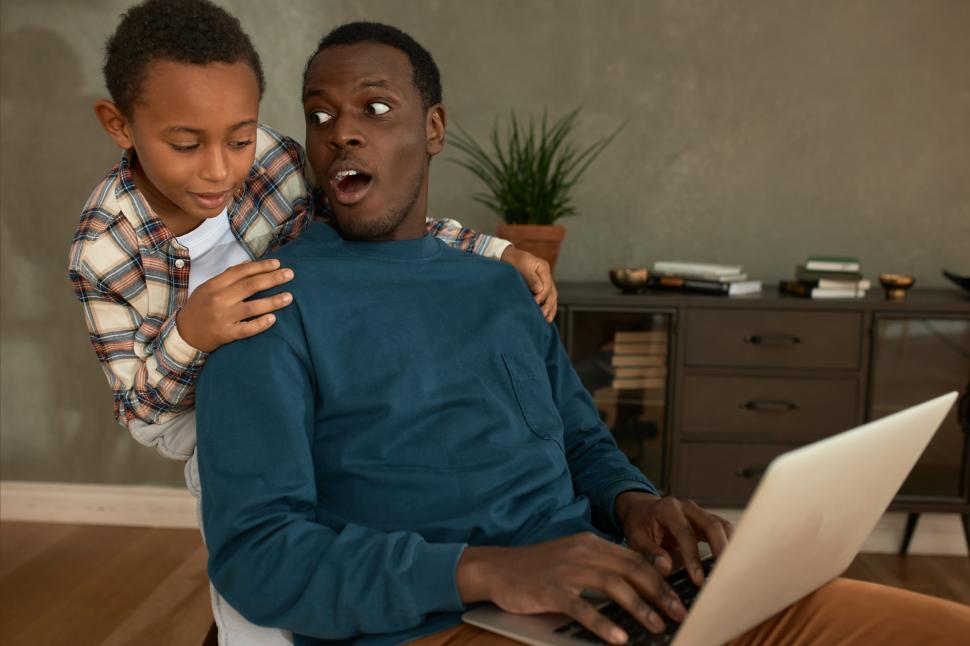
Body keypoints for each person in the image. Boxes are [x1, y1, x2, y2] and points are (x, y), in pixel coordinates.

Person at [194, 21, 970, 646]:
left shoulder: (500, 285)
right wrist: (490, 572)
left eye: (375, 108)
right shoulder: (266, 304)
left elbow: (578, 442)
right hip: (448, 620)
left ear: (433, 129)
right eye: (320, 115)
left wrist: (634, 504)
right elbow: (256, 554)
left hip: (610, 590)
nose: (342, 135)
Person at [67, 2, 556, 644]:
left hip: (290, 351)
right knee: (250, 503)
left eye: (239, 138)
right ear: (119, 125)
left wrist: (496, 252)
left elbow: (377, 223)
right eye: (186, 145)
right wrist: (192, 332)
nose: (220, 169)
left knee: (345, 460)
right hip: (181, 402)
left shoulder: (276, 161)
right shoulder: (101, 250)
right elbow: (138, 410)